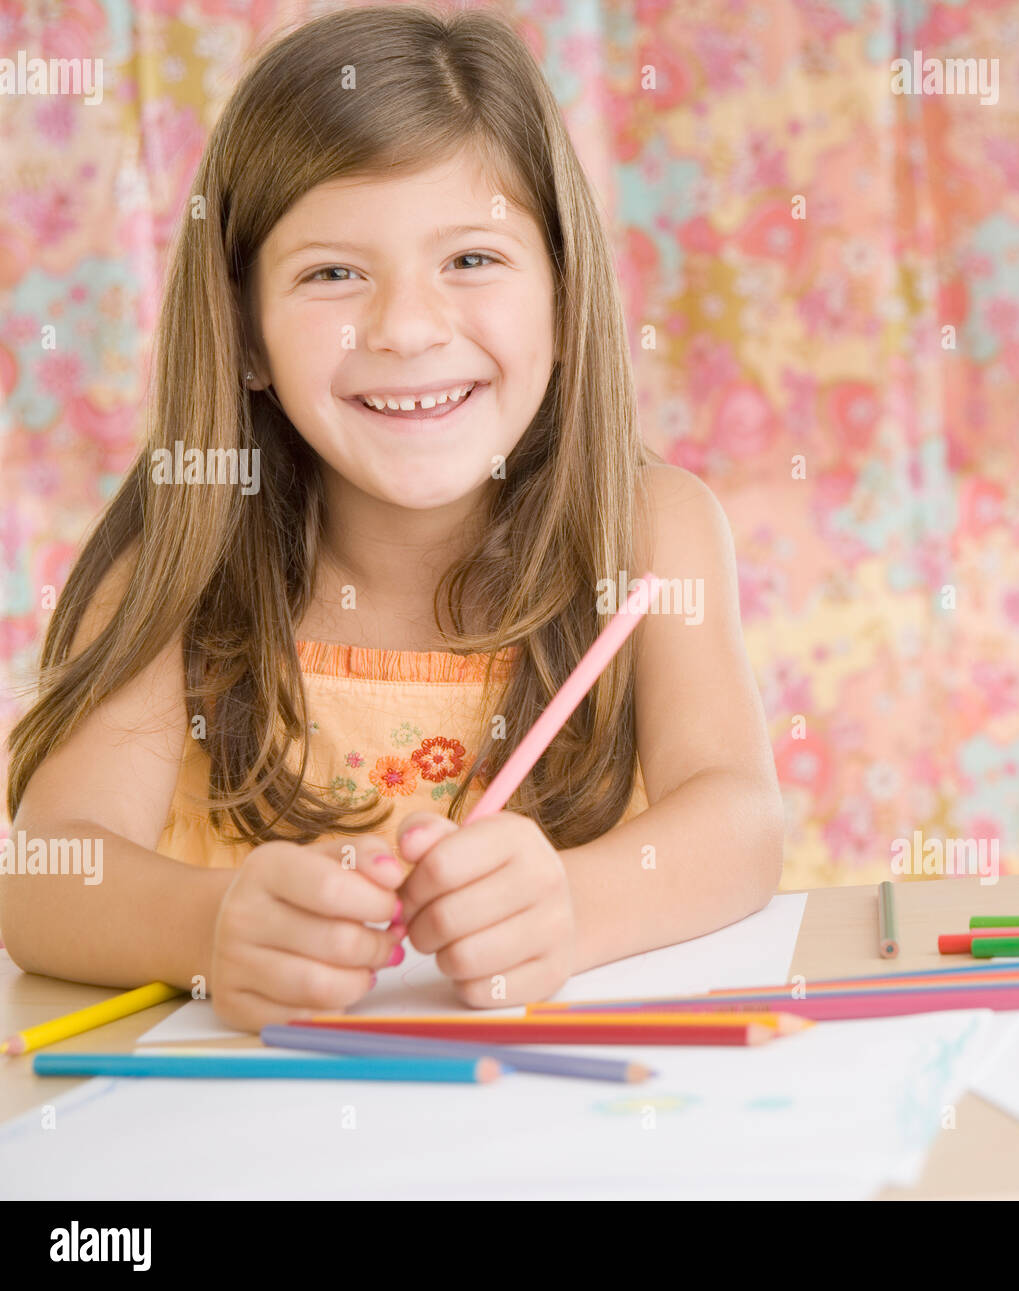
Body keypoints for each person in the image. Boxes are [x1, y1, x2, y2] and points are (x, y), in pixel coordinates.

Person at [2, 6, 783, 1034]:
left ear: (563, 288)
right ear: (245, 334)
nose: (408, 329)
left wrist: (574, 908)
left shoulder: (648, 531)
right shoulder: (183, 552)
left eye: (471, 259)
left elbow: (739, 821)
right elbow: (47, 871)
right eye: (332, 272)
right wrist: (214, 926)